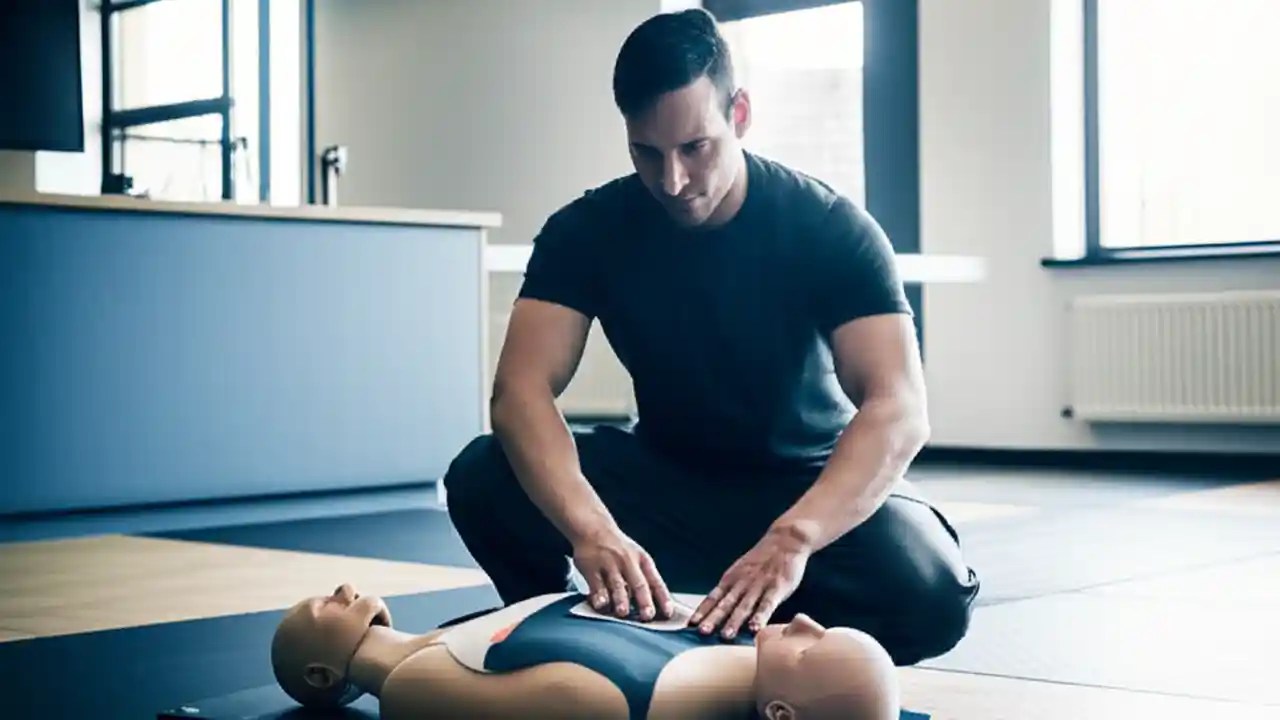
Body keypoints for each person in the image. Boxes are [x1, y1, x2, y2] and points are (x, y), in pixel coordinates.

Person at [444, 8, 979, 666]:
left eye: (695, 147)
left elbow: (898, 406)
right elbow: (520, 391)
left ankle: (762, 617)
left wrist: (795, 538)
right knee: (482, 474)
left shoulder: (831, 228)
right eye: (647, 152)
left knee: (928, 591)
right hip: (668, 482)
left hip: (804, 482)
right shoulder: (586, 230)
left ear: (741, 115)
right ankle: (566, 625)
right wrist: (591, 529)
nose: (672, 180)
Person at [270, 582, 906, 719]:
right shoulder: (738, 643)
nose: (806, 622)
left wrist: (376, 661)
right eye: (329, 606)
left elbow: (414, 695)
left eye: (810, 649)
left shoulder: (602, 701)